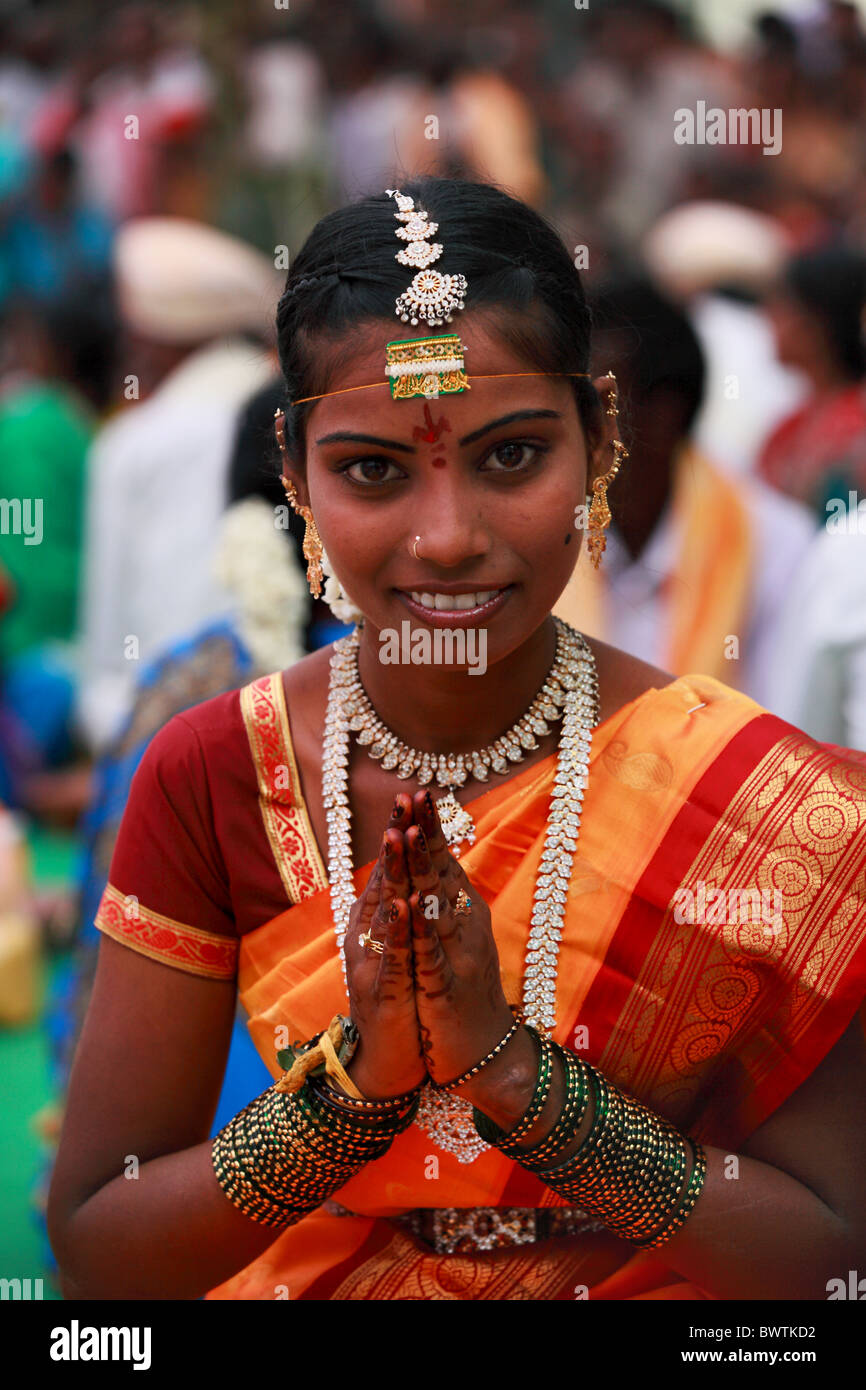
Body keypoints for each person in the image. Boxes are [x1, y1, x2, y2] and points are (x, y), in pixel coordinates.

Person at [47, 178, 866, 1301]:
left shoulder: (754, 800)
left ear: (602, 437)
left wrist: (513, 1074)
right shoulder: (218, 772)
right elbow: (103, 1250)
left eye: (510, 456)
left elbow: (828, 1262)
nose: (447, 538)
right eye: (373, 469)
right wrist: (359, 1094)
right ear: (294, 472)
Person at [553, 275, 814, 707]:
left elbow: (787, 727)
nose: (569, 423)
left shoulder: (775, 541)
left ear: (663, 413)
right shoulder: (545, 531)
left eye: (597, 404)